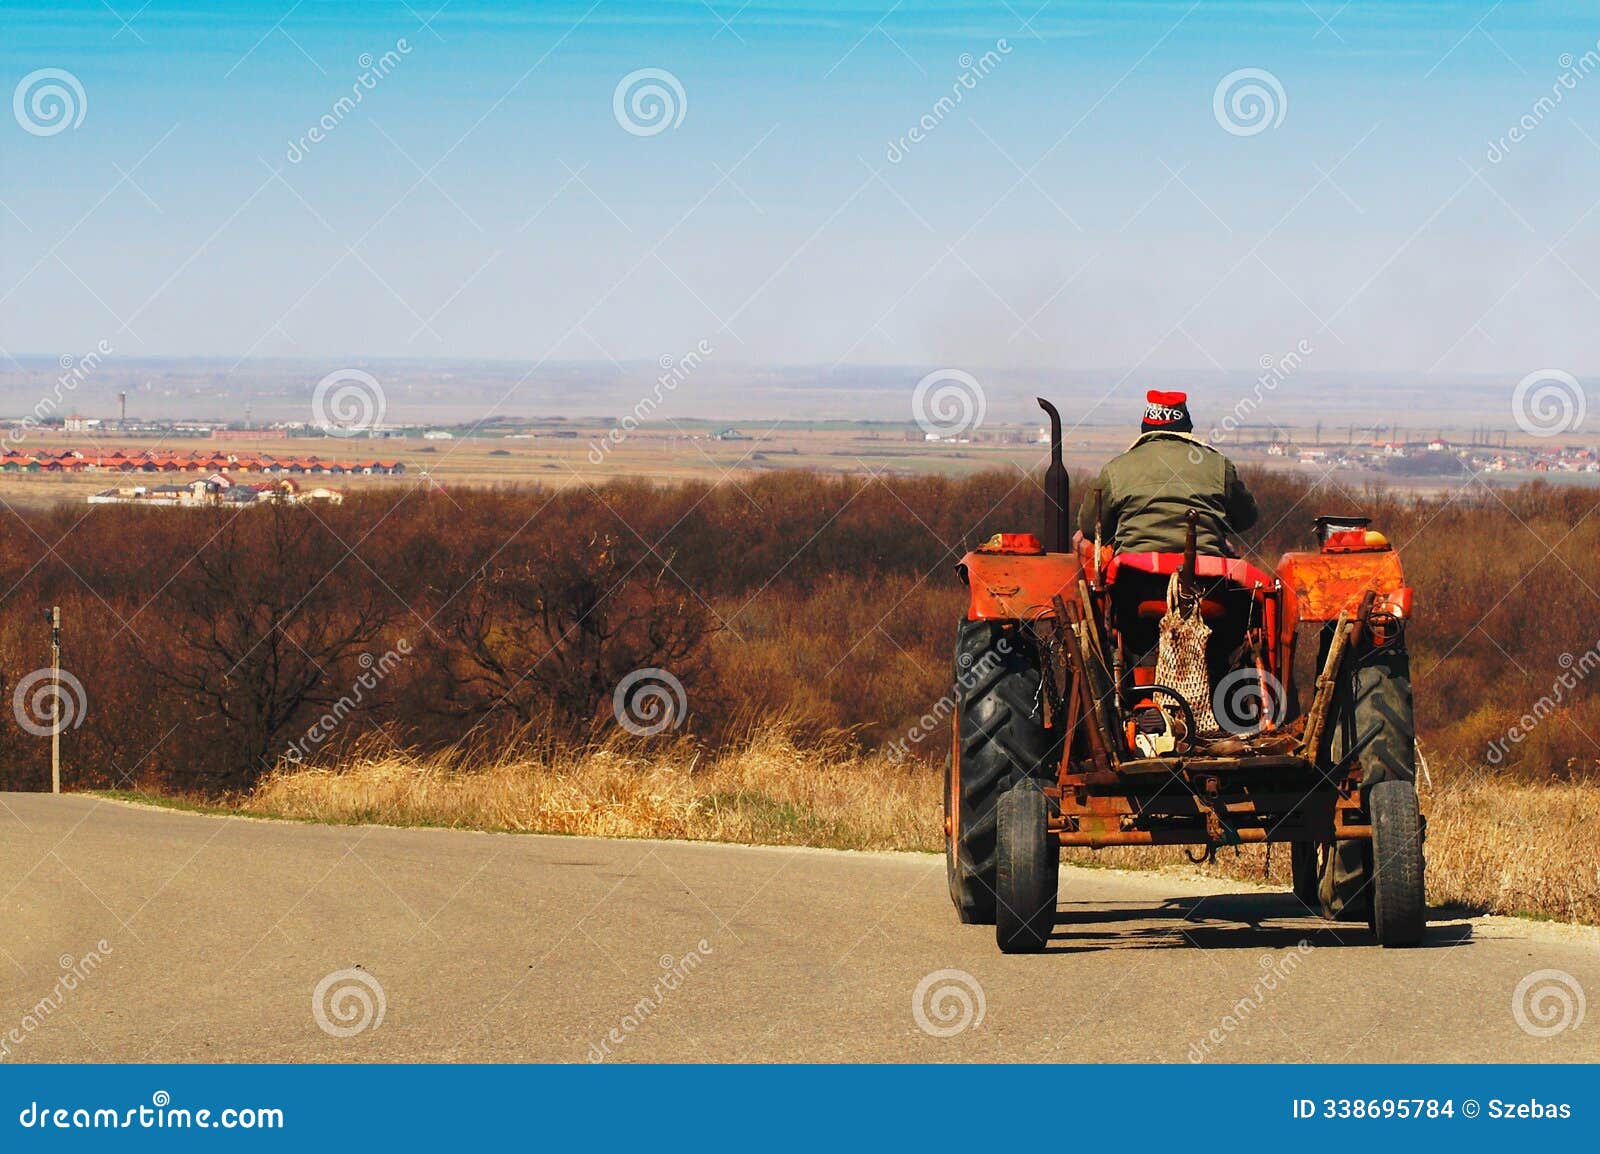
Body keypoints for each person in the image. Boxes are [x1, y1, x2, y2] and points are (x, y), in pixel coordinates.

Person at [1078, 390, 1258, 556]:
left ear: (1145, 428)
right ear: (1186, 427)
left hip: (1131, 578)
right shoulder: (1219, 465)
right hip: (1207, 577)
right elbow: (1246, 517)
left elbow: (1090, 527)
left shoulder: (1116, 469)